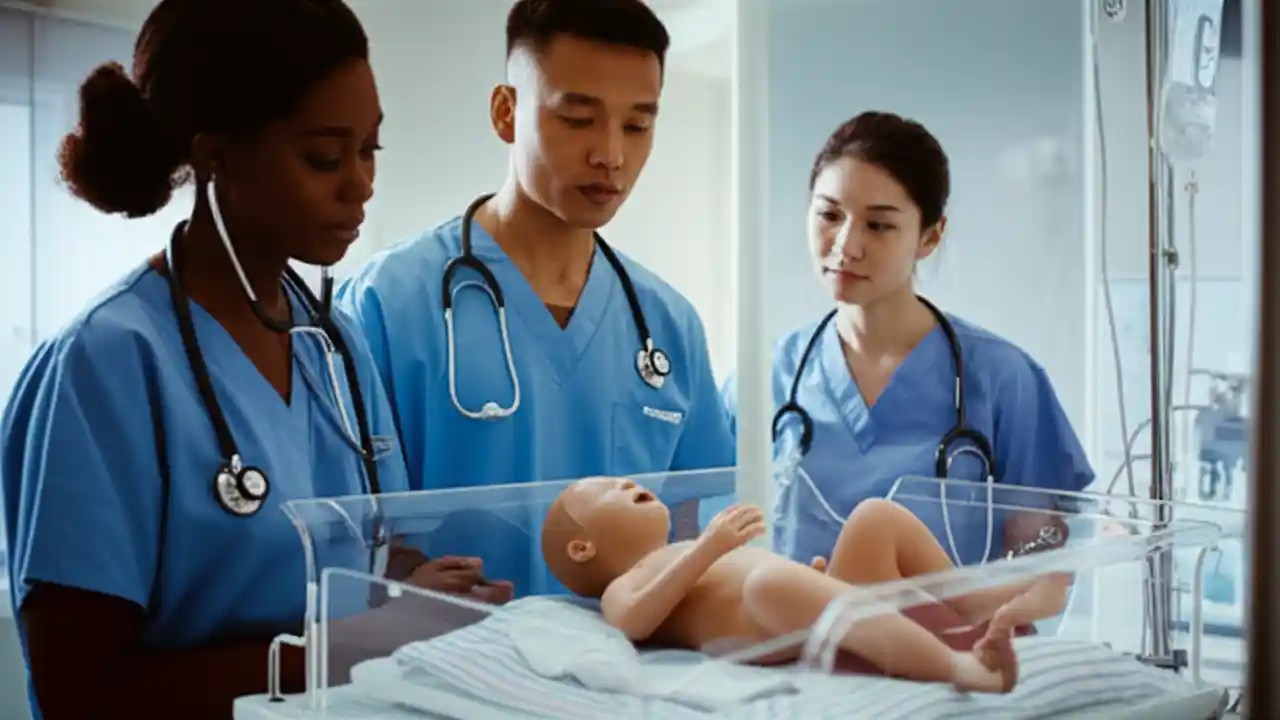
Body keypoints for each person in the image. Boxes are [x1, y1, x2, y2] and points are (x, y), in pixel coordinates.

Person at [0, 2, 492, 717]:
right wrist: (360, 642)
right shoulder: (103, 366)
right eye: (325, 156)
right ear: (215, 156)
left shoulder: (338, 346)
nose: (360, 183)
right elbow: (83, 695)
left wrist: (426, 591)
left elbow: (367, 558)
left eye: (369, 149)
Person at [336, 0, 734, 593]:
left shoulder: (667, 323)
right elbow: (350, 532)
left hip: (623, 669)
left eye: (637, 124)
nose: (611, 155)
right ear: (506, 112)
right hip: (448, 665)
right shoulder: (387, 301)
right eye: (578, 119)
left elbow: (697, 529)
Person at [721, 111, 1095, 571]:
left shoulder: (1003, 379)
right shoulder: (765, 378)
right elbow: (710, 540)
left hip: (947, 636)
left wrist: (964, 620)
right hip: (796, 637)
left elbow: (1041, 567)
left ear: (930, 237)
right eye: (829, 215)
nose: (845, 246)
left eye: (878, 225)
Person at [541, 476, 1074, 693]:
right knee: (771, 582)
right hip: (759, 628)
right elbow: (635, 621)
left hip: (804, 611)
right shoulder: (626, 582)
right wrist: (709, 548)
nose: (630, 482)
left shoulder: (671, 554)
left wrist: (815, 584)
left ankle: (974, 599)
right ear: (583, 547)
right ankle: (962, 669)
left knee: (874, 517)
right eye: (610, 490)